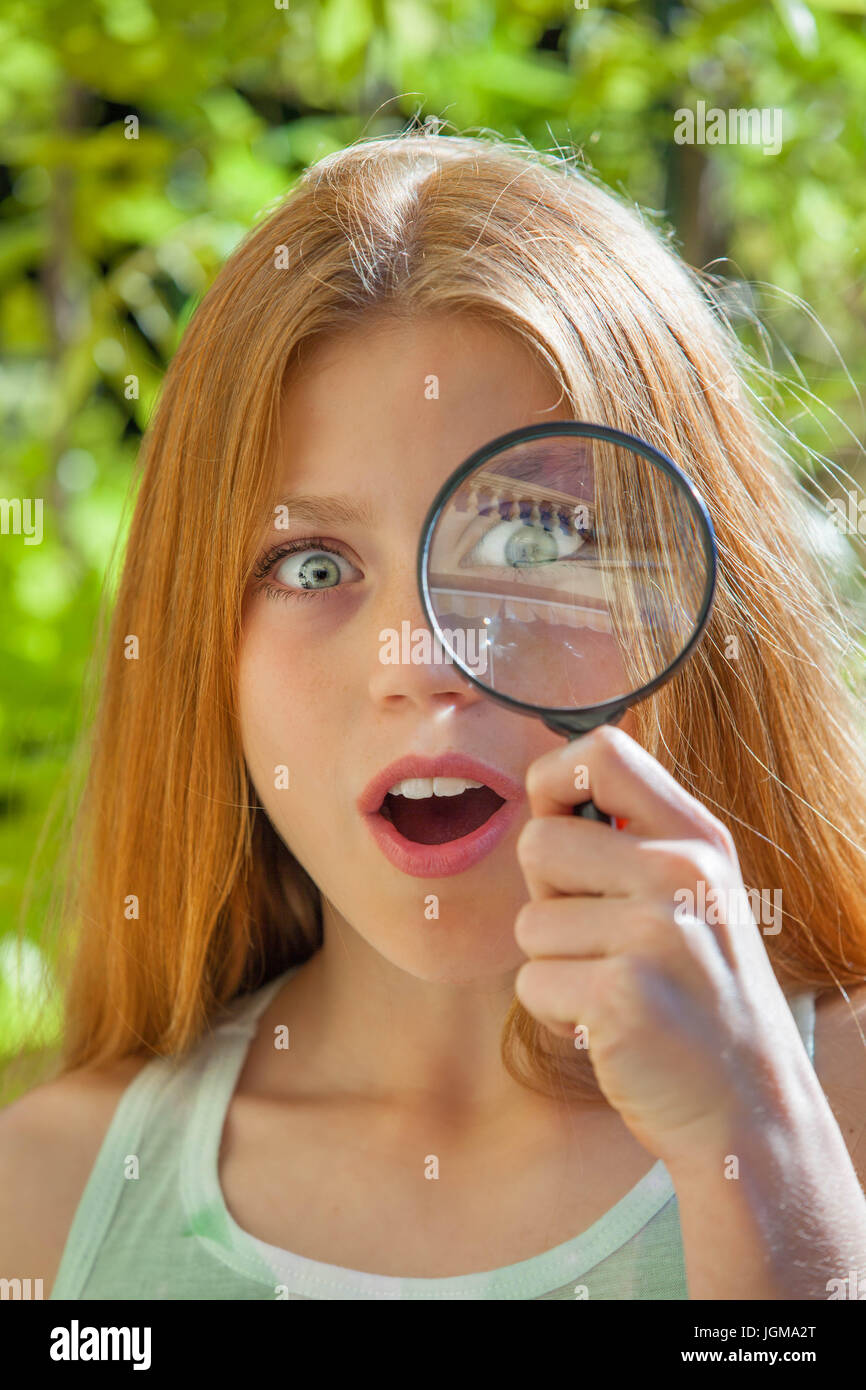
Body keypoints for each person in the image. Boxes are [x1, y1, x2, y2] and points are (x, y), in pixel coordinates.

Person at [1, 130, 865, 1301]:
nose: (417, 664)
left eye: (531, 539)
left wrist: (763, 1169)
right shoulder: (46, 1203)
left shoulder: (833, 1116)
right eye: (310, 565)